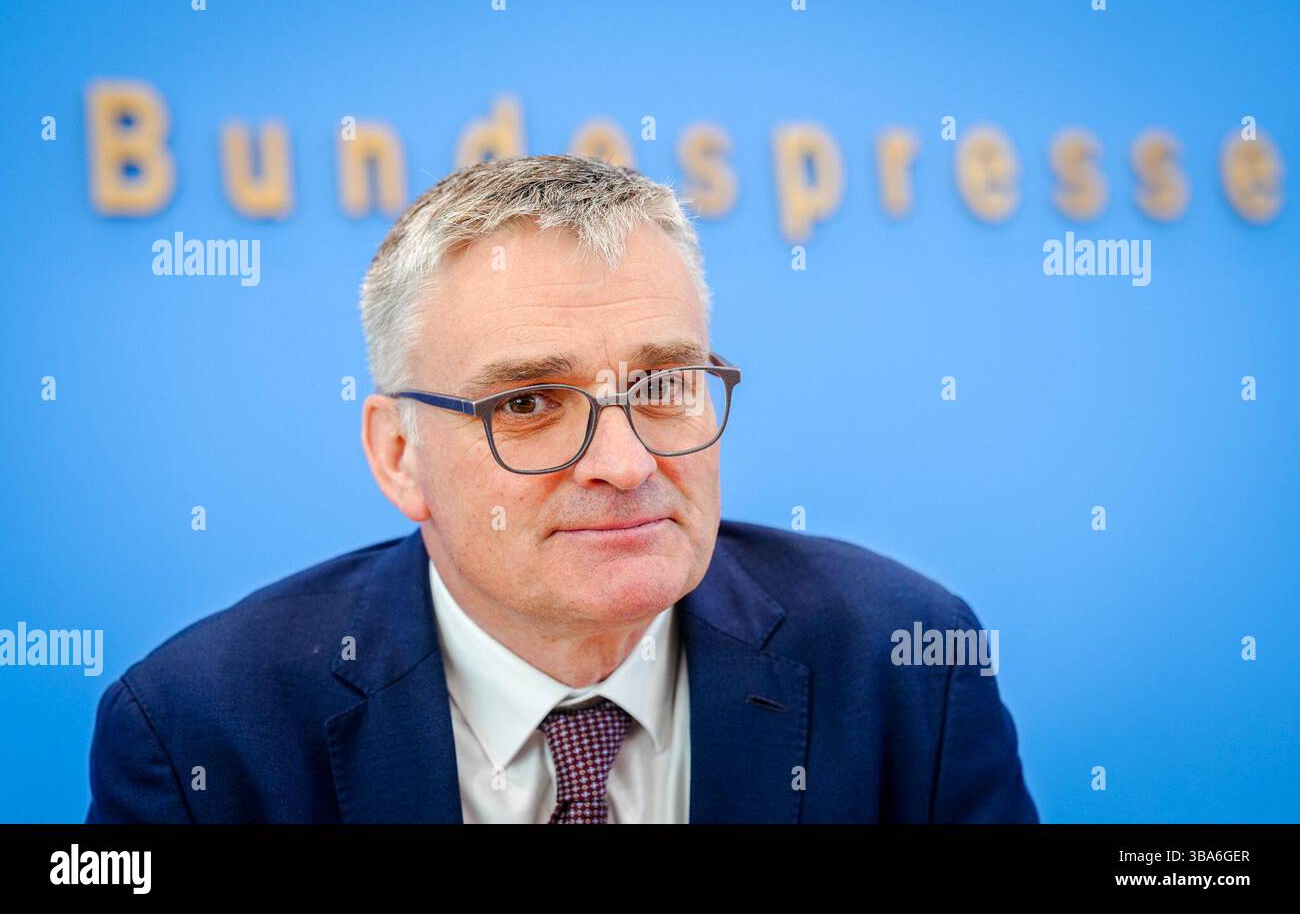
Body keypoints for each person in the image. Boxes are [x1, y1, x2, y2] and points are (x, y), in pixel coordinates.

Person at [86, 154, 1037, 823]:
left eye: (665, 385)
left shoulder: (906, 666)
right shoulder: (203, 725)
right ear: (399, 455)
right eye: (532, 401)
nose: (624, 464)